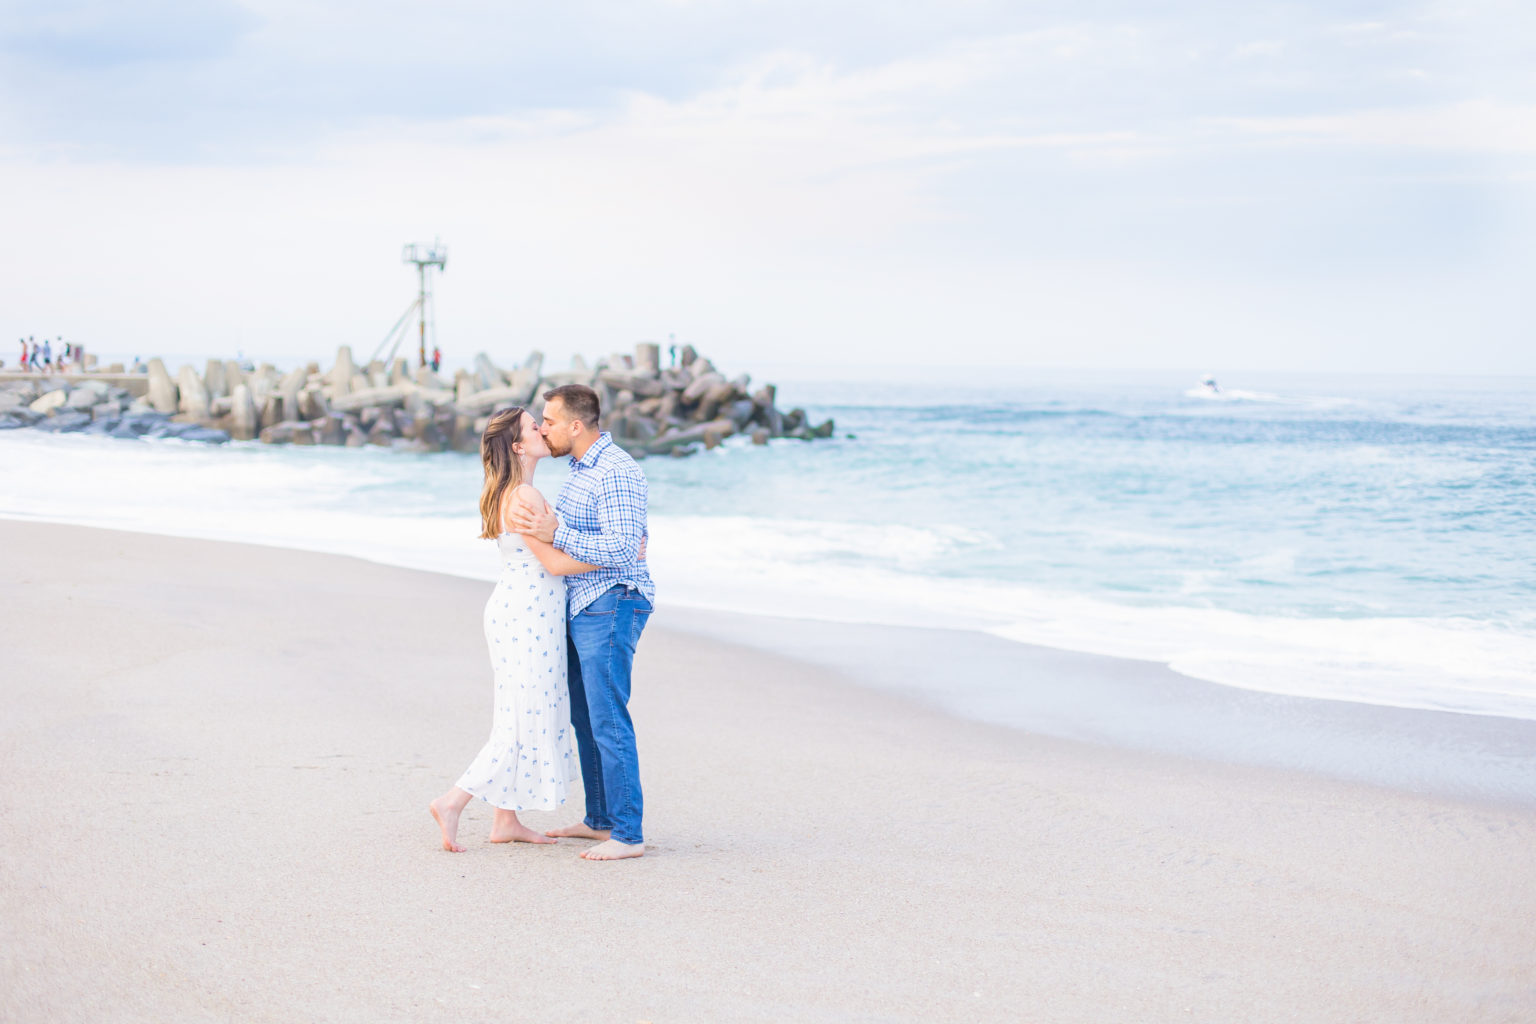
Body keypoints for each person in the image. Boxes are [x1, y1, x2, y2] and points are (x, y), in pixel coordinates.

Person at [428, 406, 595, 852]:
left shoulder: (515, 490)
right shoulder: (525, 497)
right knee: (523, 720)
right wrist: (620, 556)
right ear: (519, 446)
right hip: (528, 613)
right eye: (532, 426)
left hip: (520, 609)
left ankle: (506, 820)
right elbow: (555, 563)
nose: (542, 429)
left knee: (517, 712)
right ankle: (453, 801)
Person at [509, 384, 655, 862]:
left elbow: (620, 548)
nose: (543, 428)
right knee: (585, 717)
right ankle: (601, 820)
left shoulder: (616, 471)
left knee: (609, 718)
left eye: (548, 421)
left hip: (612, 603)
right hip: (583, 604)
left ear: (576, 425)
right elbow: (619, 543)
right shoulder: (579, 471)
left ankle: (628, 834)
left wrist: (557, 532)